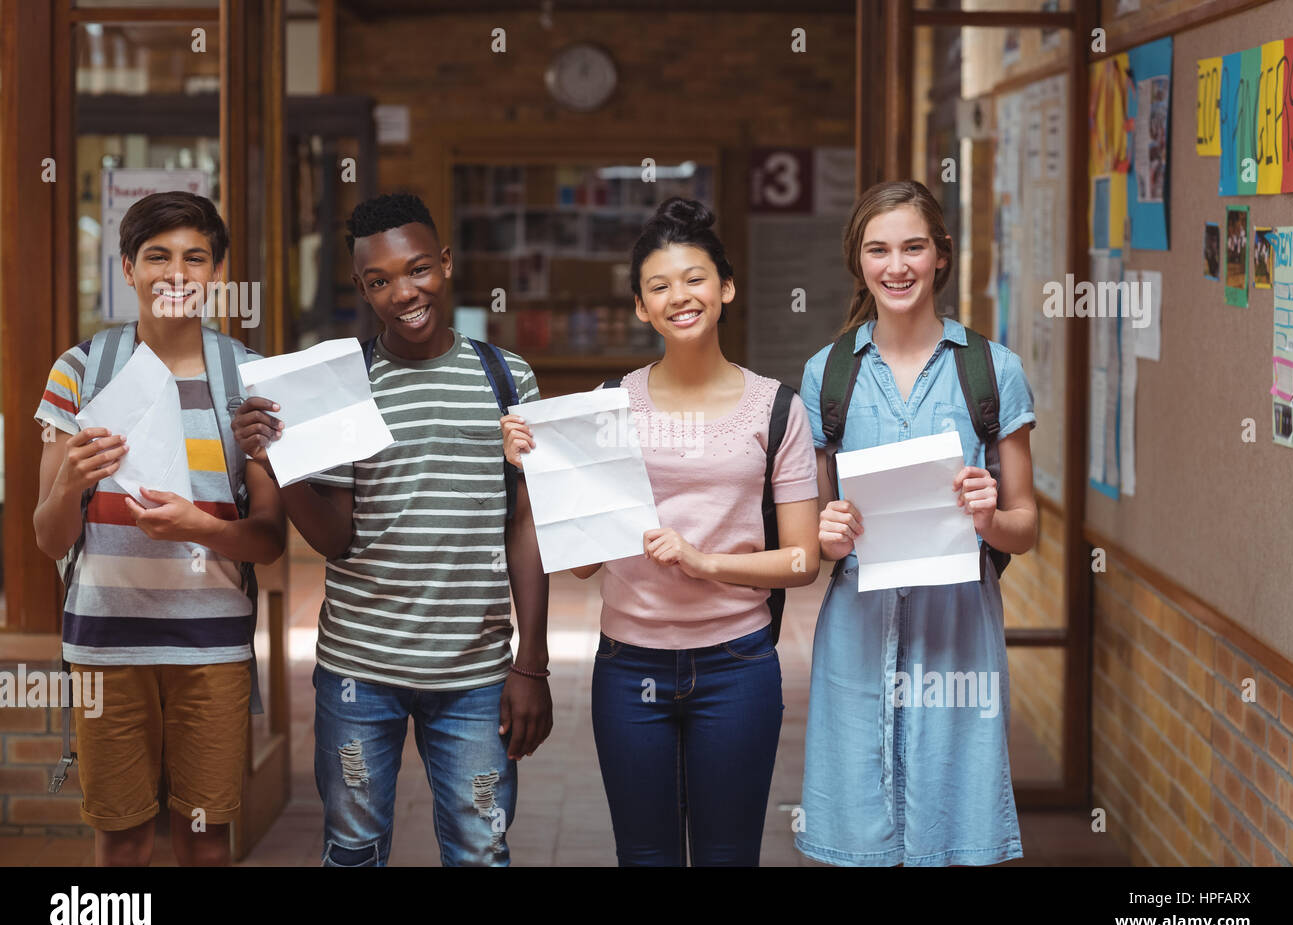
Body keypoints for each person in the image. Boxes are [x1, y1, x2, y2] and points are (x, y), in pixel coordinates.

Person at [232, 192, 550, 867]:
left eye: (417, 271)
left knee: (480, 850)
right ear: (361, 288)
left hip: (475, 673)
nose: (403, 292)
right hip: (359, 672)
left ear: (446, 263)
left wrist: (533, 663)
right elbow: (336, 539)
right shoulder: (343, 387)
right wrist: (280, 463)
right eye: (380, 281)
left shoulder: (507, 380)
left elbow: (527, 527)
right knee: (352, 849)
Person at [501, 198, 819, 866]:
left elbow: (801, 560)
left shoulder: (779, 409)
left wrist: (704, 563)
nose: (681, 296)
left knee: (728, 855)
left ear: (726, 288)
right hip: (629, 666)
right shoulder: (608, 408)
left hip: (738, 665)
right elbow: (584, 565)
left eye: (696, 278)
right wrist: (536, 469)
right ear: (642, 308)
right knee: (644, 857)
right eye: (659, 286)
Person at [33, 191, 285, 866]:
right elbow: (48, 538)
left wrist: (201, 527)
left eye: (195, 257)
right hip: (105, 644)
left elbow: (269, 539)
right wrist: (70, 482)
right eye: (158, 256)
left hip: (211, 648)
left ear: (219, 274)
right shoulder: (80, 372)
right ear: (128, 269)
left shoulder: (249, 379)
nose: (177, 273)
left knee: (205, 841)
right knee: (122, 838)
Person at [797, 180, 1037, 866]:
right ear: (858, 260)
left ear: (940, 257)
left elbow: (1027, 526)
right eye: (878, 250)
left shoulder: (993, 371)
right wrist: (826, 531)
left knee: (955, 834)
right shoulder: (828, 374)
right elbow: (814, 530)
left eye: (913, 247)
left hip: (958, 628)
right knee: (856, 833)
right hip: (857, 627)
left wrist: (990, 516)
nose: (895, 266)